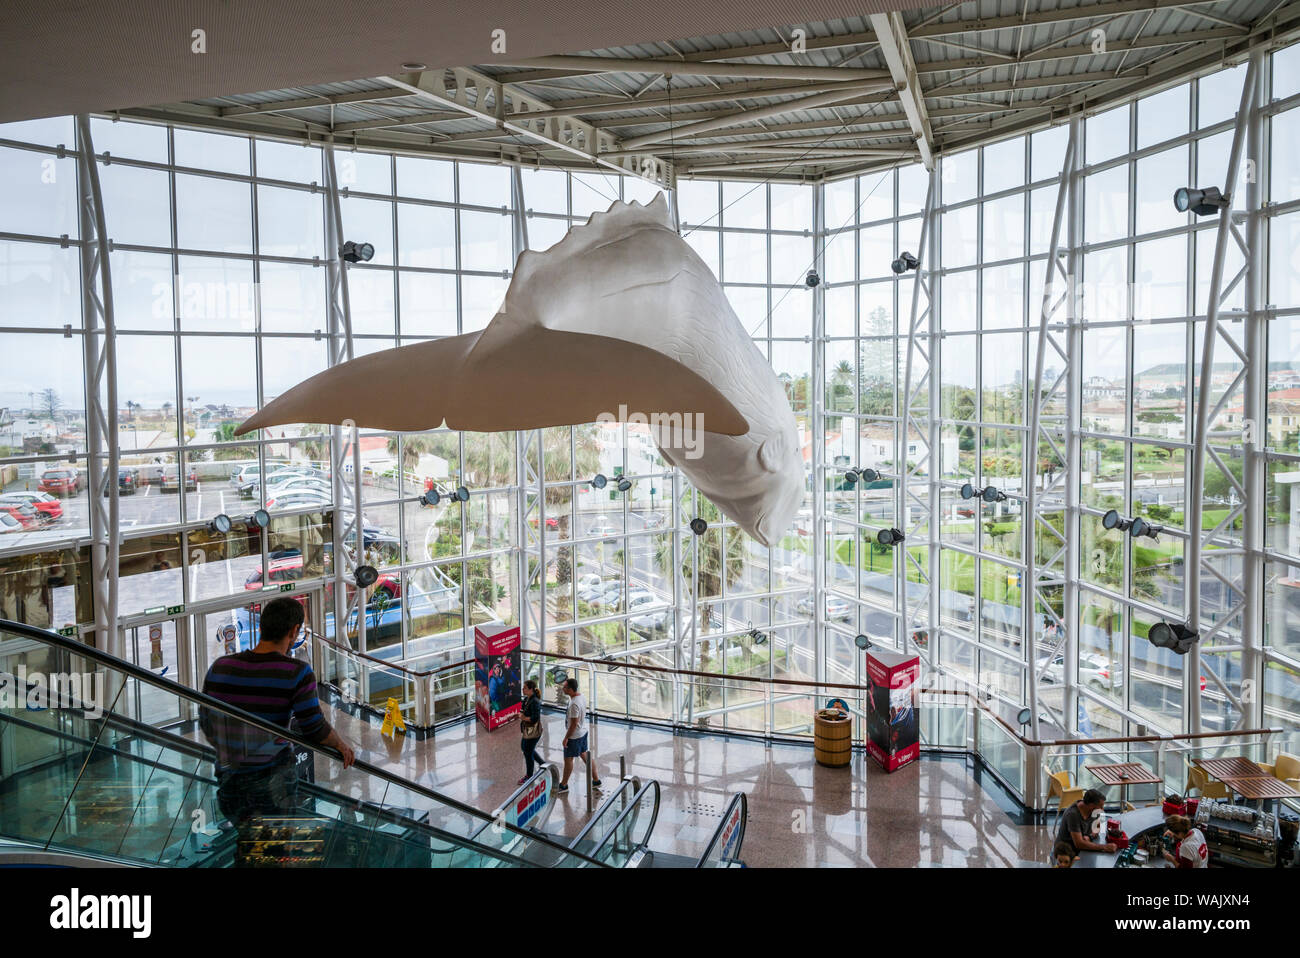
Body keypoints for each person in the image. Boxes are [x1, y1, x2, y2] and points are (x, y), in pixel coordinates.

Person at [200, 597, 355, 830]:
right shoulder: (297, 673)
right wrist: (341, 745)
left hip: (229, 779)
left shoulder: (220, 667)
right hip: (272, 783)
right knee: (275, 848)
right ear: (294, 631)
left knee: (249, 843)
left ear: (261, 627)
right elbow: (314, 728)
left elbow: (206, 722)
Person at [556, 677, 601, 795]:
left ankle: (563, 784)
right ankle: (596, 780)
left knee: (568, 760)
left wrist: (566, 738)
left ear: (570, 689)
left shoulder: (573, 704)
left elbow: (574, 724)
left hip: (574, 736)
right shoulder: (581, 696)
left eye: (565, 687)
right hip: (583, 732)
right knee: (584, 753)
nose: (563, 688)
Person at [1056, 788, 1117, 854]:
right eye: (1101, 807)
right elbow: (1079, 844)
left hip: (1082, 849)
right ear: (1091, 806)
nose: (1102, 809)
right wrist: (1105, 847)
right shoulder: (1072, 814)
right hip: (1065, 853)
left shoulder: (1095, 811)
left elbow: (1098, 827)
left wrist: (1090, 837)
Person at [518, 679, 542, 784]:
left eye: (525, 688)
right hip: (527, 730)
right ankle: (542, 763)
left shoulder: (535, 702)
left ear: (531, 689)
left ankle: (529, 775)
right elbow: (523, 711)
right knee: (526, 748)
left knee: (528, 752)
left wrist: (524, 718)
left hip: (533, 731)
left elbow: (535, 718)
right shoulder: (526, 699)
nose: (523, 689)